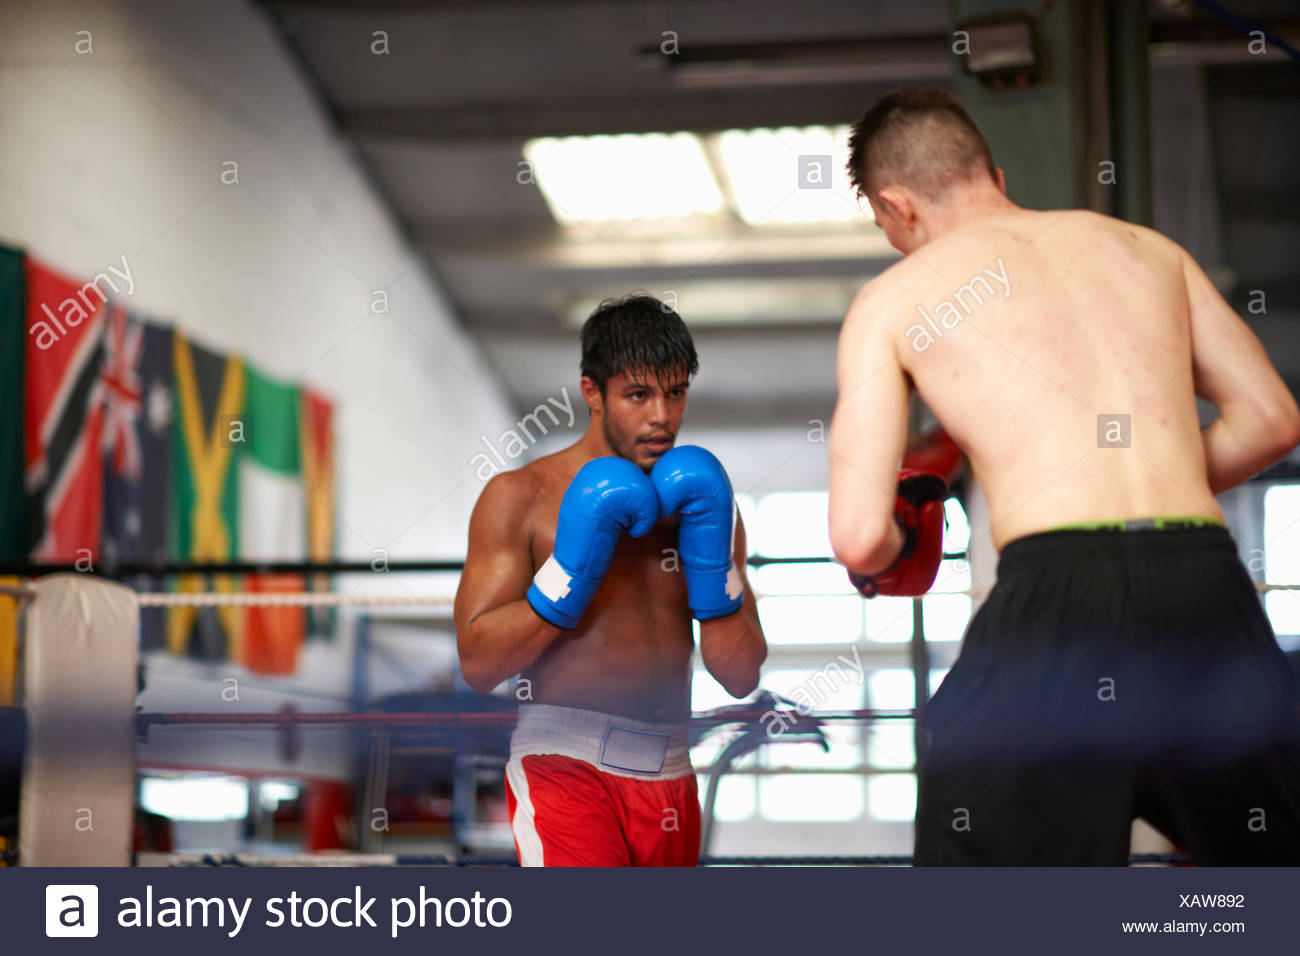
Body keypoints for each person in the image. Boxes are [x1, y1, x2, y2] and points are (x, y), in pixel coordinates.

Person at [828, 88, 1300, 865]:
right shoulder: (1150, 251)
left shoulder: (891, 301)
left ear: (896, 206)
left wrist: (894, 551)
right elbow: (1272, 420)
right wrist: (1168, 479)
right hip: (1207, 586)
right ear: (995, 175)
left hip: (1058, 598)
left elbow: (857, 533)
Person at [454, 294, 767, 867]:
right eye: (639, 395)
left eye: (675, 393)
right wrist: (570, 573)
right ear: (592, 393)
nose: (662, 417)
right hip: (563, 766)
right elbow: (478, 665)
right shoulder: (520, 498)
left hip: (671, 774)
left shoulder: (706, 504)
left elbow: (741, 675)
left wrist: (713, 568)